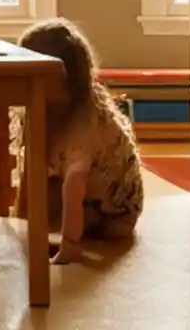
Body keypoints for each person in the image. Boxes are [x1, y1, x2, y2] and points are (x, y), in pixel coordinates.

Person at [17, 18, 144, 264]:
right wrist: (20, 225)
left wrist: (69, 245)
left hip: (113, 215)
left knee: (63, 195)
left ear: (61, 78)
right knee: (42, 196)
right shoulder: (45, 108)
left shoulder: (85, 124)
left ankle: (76, 234)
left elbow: (74, 186)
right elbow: (31, 169)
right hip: (85, 199)